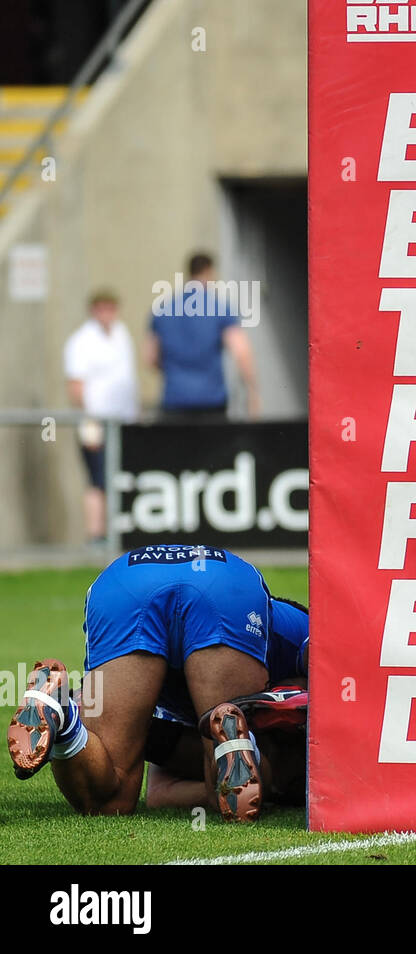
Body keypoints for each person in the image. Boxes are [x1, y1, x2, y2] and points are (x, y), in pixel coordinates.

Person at [7, 544, 305, 821]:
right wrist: (270, 785)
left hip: (127, 580)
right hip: (227, 590)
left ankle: (64, 716)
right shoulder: (298, 629)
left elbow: (160, 793)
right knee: (234, 779)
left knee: (111, 802)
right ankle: (241, 747)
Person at [146, 252, 261, 420]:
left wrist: (177, 371)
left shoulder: (163, 309)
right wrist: (253, 392)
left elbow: (151, 357)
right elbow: (241, 352)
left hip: (174, 401)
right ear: (209, 271)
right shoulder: (219, 308)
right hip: (211, 401)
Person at [63, 289, 138, 542]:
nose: (108, 314)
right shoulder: (82, 341)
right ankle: (96, 534)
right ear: (93, 310)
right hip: (97, 421)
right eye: (102, 308)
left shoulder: (121, 334)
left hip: (123, 421)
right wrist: (88, 422)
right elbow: (75, 385)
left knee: (120, 477)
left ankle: (119, 532)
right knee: (97, 478)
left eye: (111, 308)